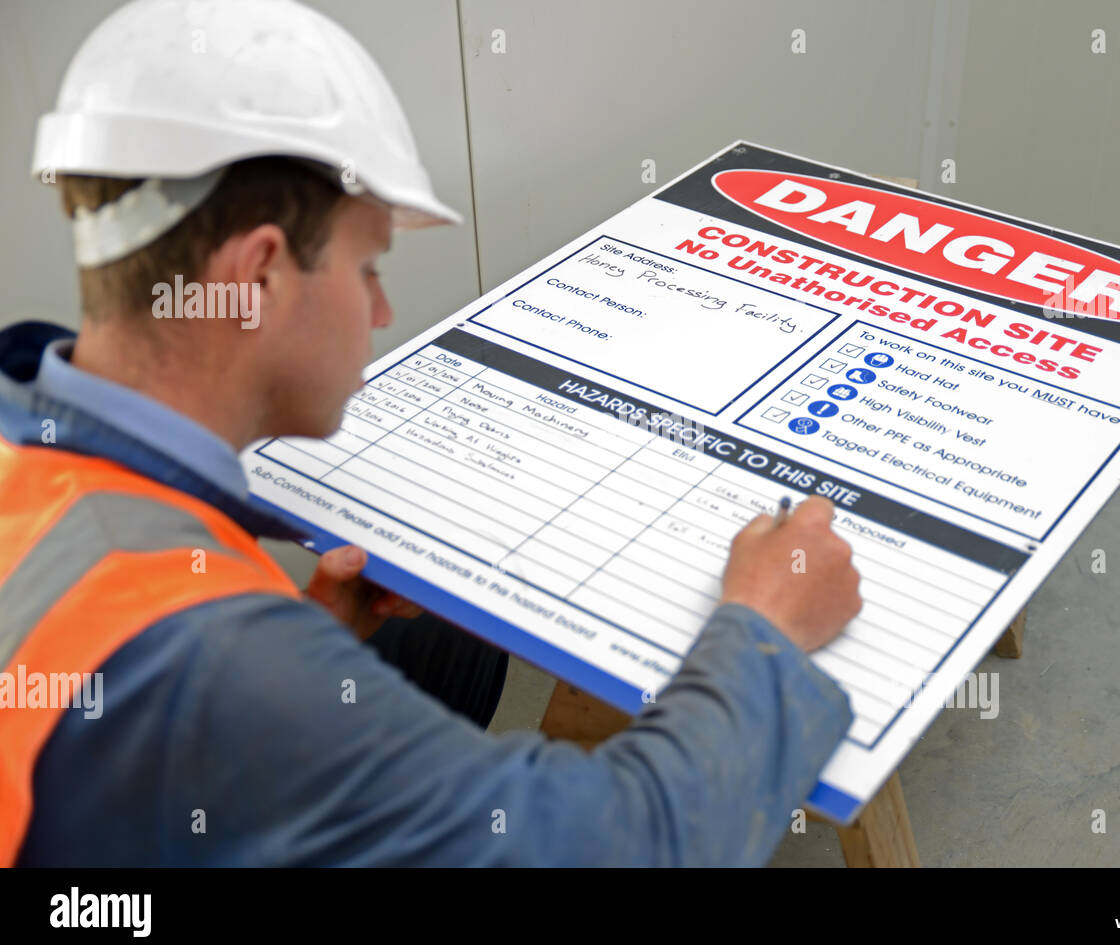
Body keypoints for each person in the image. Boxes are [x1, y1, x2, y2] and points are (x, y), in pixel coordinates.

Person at [0, 0, 861, 866]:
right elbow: (626, 844)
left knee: (444, 647)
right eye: (367, 267)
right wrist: (767, 629)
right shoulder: (212, 666)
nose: (382, 309)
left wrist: (304, 636)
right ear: (257, 275)